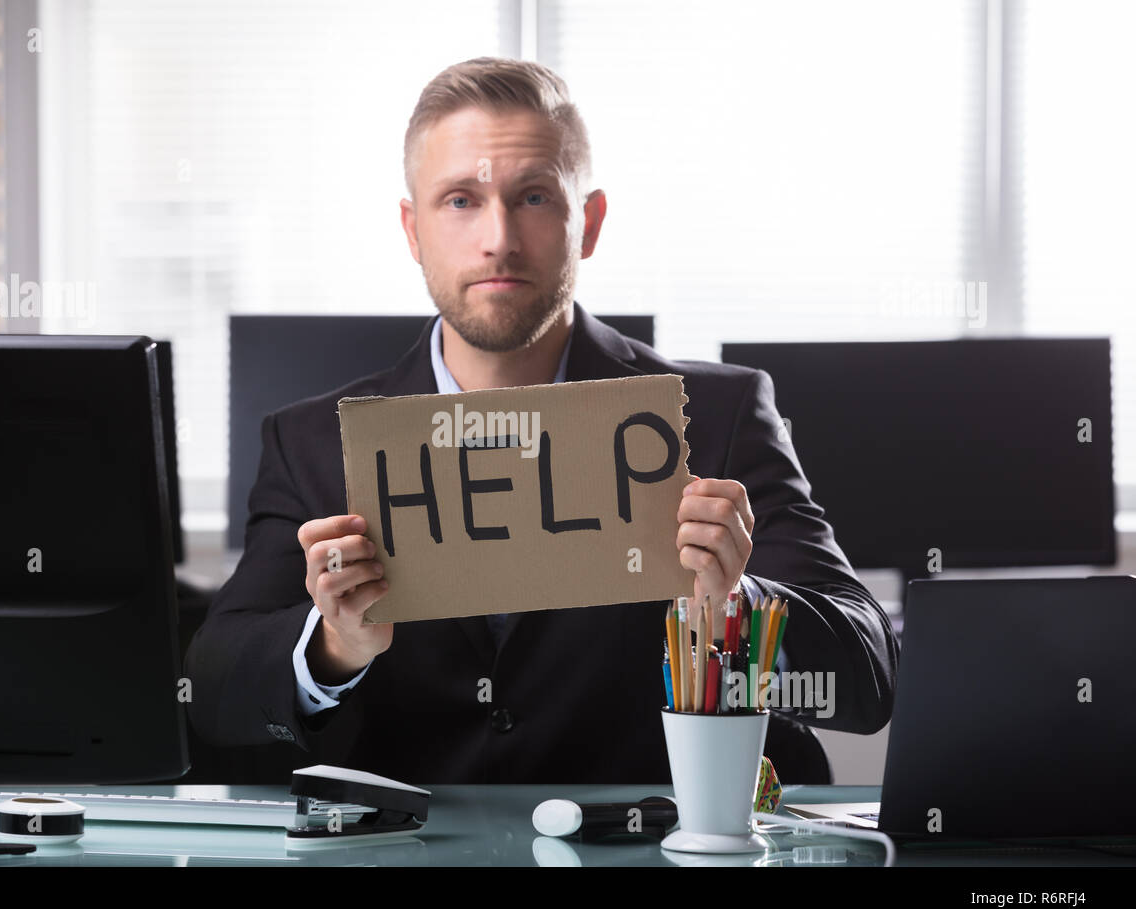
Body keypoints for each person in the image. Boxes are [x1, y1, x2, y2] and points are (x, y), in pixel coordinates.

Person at [184, 57, 898, 784]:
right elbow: (211, 693)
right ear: (412, 229)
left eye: (532, 197)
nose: (498, 238)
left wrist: (737, 607)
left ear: (586, 222)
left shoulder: (715, 418)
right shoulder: (311, 444)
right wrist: (331, 645)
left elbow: (868, 680)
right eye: (460, 200)